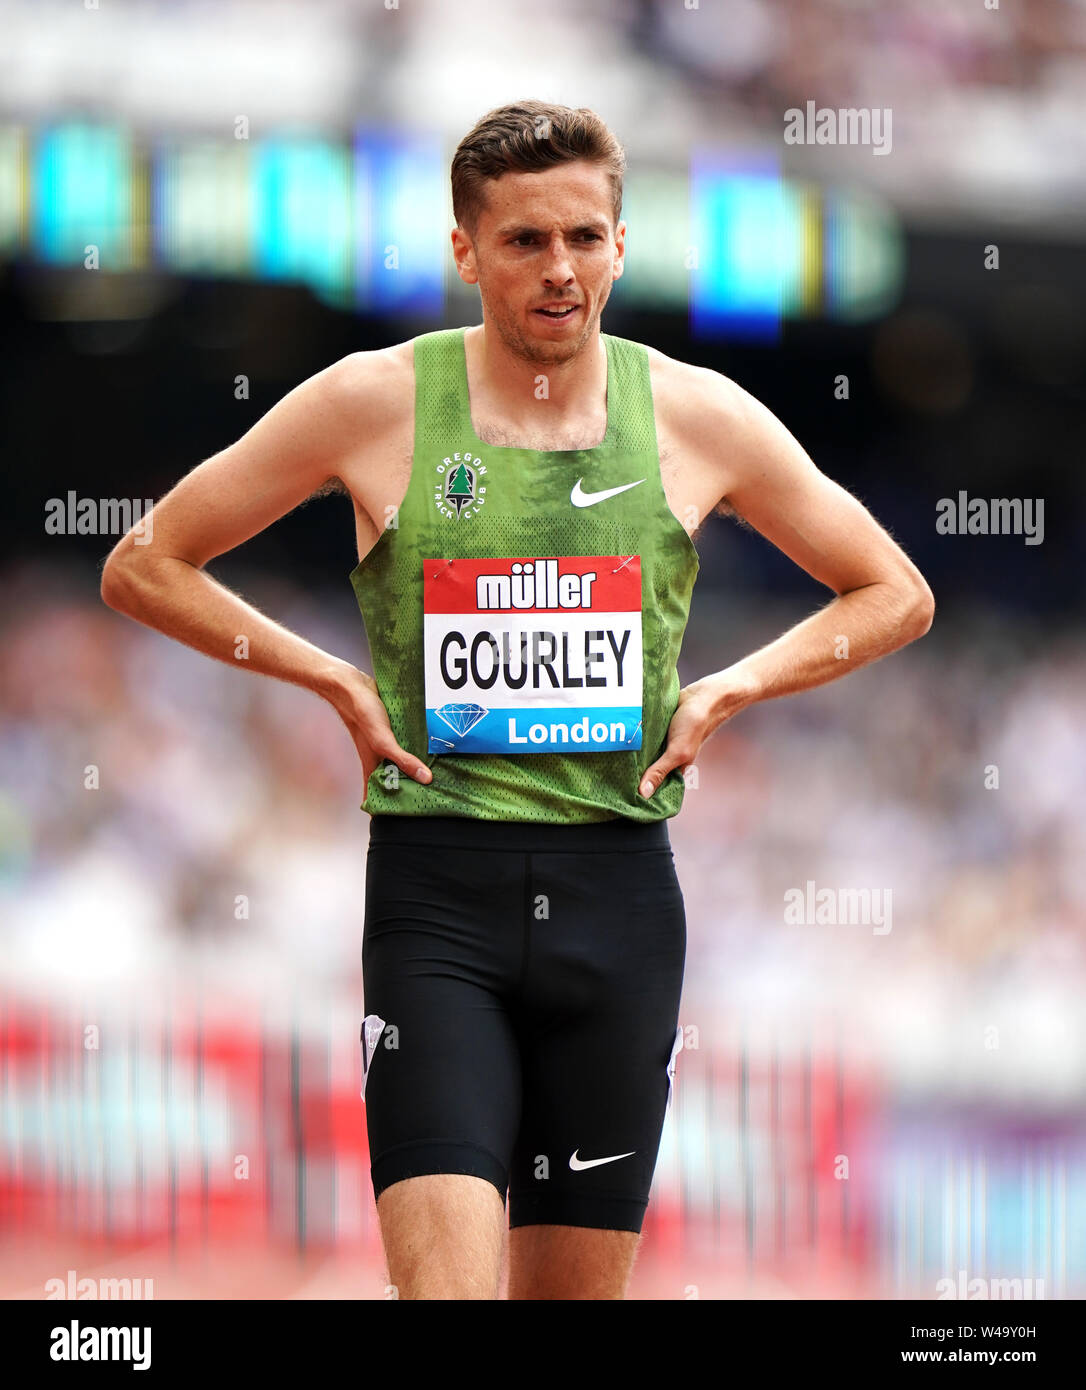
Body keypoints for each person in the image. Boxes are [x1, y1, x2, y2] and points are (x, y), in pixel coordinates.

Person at [101, 99, 934, 1300]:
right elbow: (145, 564)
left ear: (621, 246)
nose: (559, 271)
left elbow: (893, 592)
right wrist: (328, 675)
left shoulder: (696, 416)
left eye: (585, 239)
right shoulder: (373, 401)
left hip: (620, 902)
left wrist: (732, 687)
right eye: (524, 241)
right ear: (463, 251)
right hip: (440, 898)